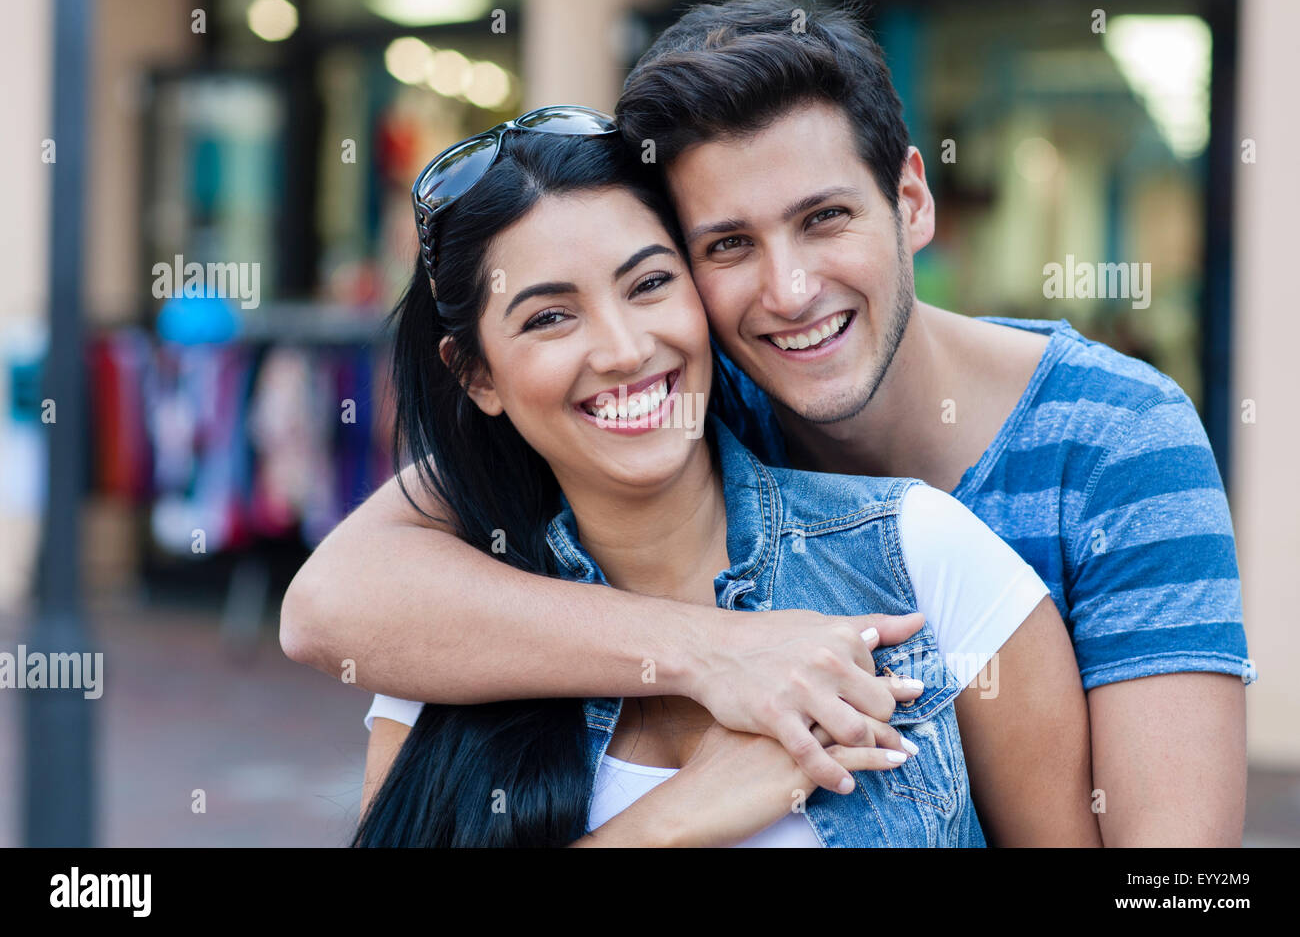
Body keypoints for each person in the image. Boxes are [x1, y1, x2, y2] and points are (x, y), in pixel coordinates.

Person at [282, 0, 1251, 845]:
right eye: (727, 243)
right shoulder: (684, 400)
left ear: (911, 200)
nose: (788, 292)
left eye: (824, 218)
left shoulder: (1114, 436)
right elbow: (331, 602)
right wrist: (716, 657)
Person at [350, 116, 1095, 847]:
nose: (622, 349)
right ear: (476, 374)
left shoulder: (922, 558)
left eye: (648, 284)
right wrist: (669, 822)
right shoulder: (453, 638)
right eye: (549, 317)